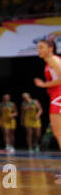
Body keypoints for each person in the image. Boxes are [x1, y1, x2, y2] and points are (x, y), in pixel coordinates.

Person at [31, 38, 61, 177]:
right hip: (56, 96)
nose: (39, 50)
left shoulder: (53, 60)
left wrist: (44, 85)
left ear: (50, 48)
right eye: (38, 47)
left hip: (59, 97)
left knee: (59, 134)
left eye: (42, 47)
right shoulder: (52, 61)